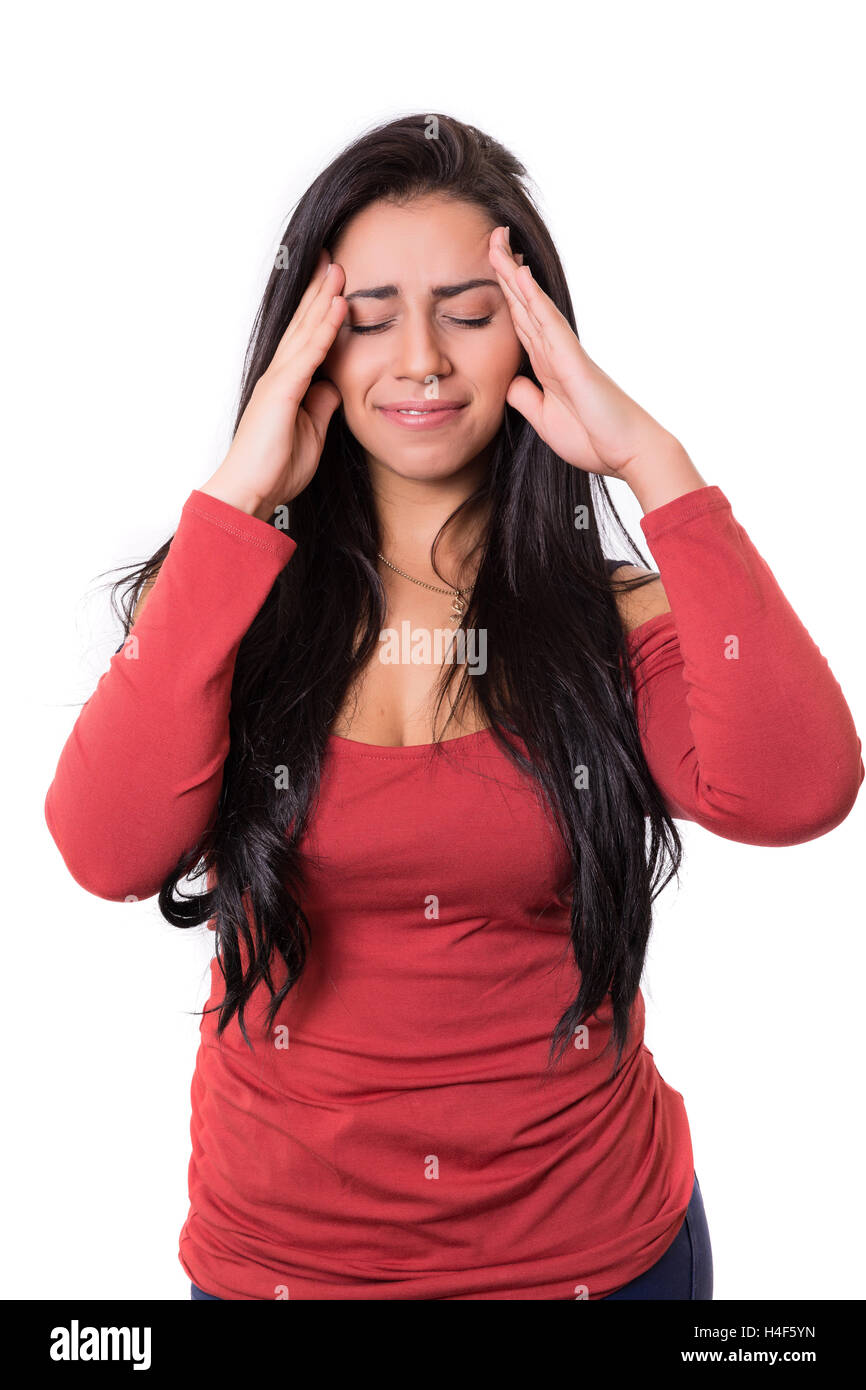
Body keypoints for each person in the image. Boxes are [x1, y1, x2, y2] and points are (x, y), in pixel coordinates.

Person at [44, 113, 863, 1301]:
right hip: (283, 1267)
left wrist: (652, 463)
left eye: (468, 315)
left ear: (532, 334)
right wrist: (236, 497)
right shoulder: (222, 594)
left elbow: (797, 791)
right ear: (307, 349)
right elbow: (106, 850)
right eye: (370, 318)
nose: (420, 360)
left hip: (593, 1259)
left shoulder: (612, 615)